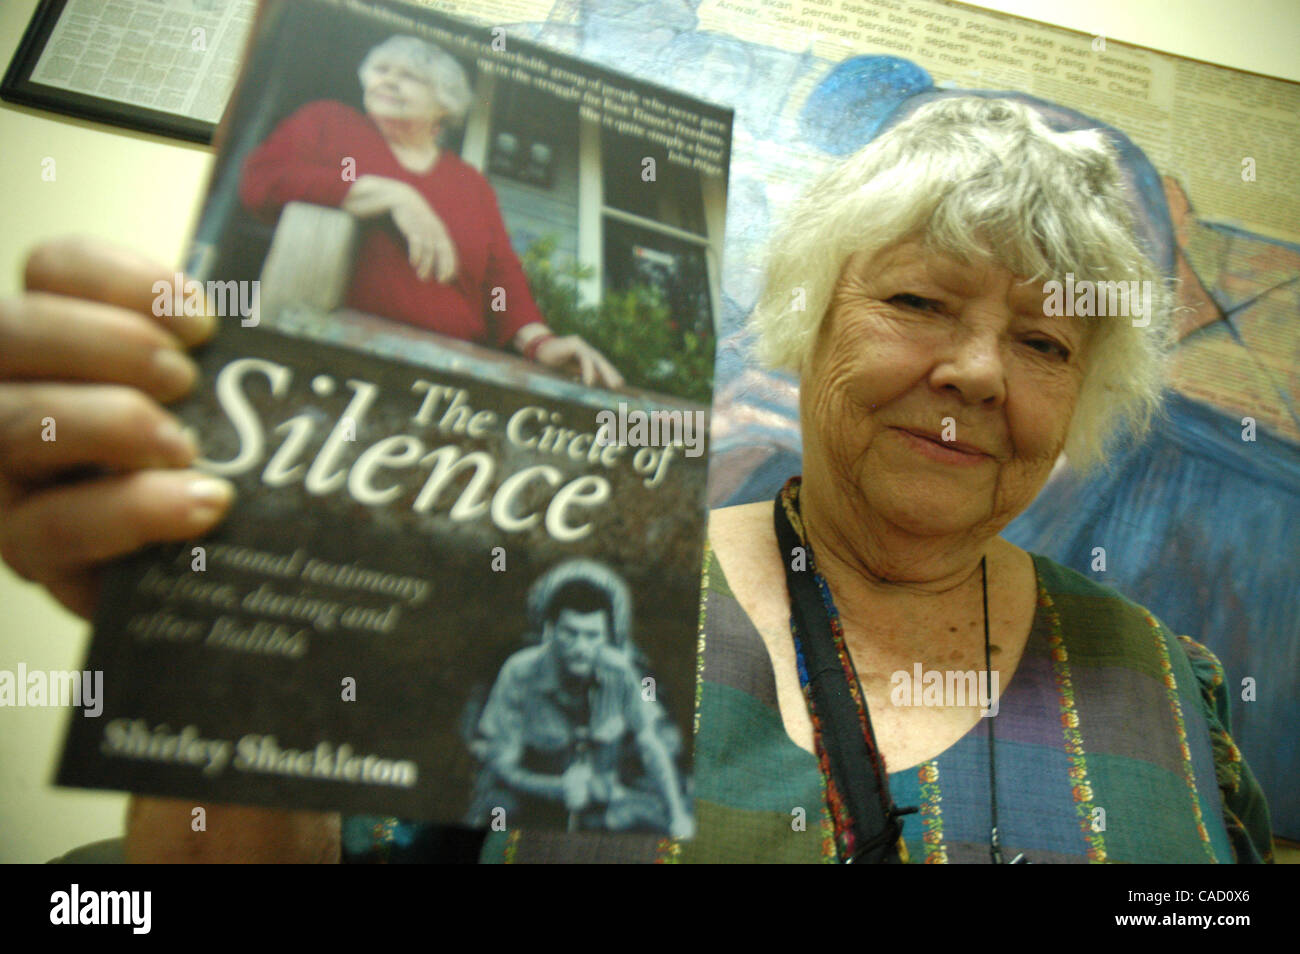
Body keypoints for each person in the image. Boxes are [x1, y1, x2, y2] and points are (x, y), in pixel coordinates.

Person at [0, 97, 1272, 862]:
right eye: (920, 300)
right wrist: (208, 646)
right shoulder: (559, 591)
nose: (982, 372)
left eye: (1047, 341)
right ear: (812, 322)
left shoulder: (1167, 677)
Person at [239, 34, 622, 388]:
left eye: (410, 76)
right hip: (327, 359)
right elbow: (262, 183)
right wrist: (389, 194)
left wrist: (539, 341)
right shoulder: (329, 123)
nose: (388, 80)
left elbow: (499, 277)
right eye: (381, 69)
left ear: (444, 103)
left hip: (447, 377)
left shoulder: (470, 183)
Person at [462, 560, 692, 837]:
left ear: (607, 637)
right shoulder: (518, 672)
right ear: (550, 630)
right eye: (570, 633)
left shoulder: (621, 671)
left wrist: (677, 816)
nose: (581, 648)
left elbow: (650, 745)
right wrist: (555, 788)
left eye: (592, 635)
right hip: (527, 800)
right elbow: (501, 765)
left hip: (603, 803)